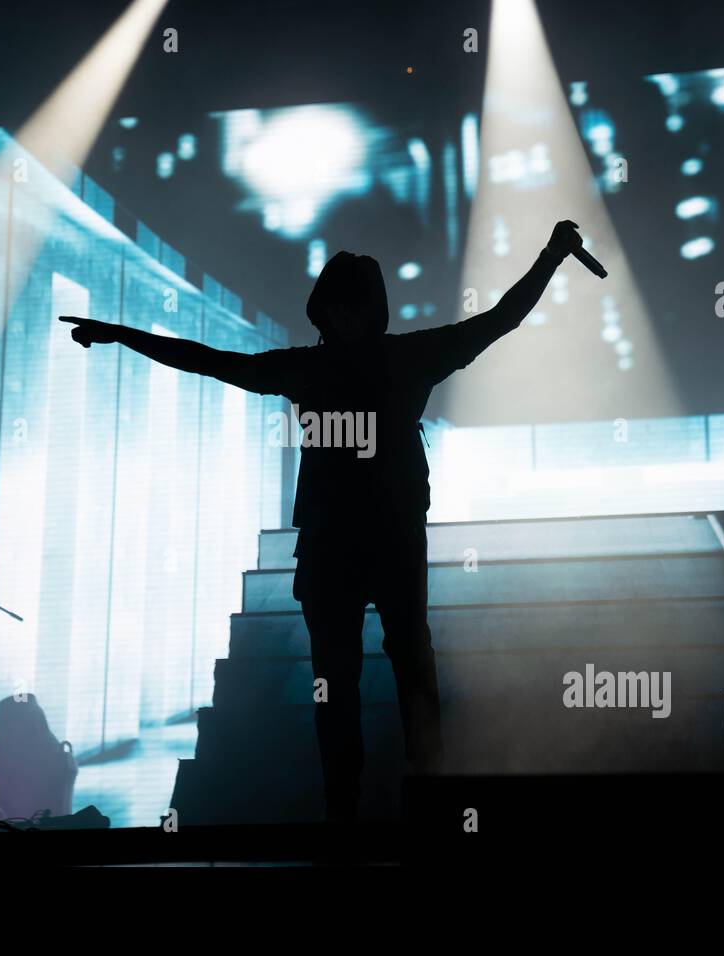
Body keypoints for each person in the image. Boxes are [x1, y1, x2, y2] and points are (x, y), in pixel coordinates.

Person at [61, 220, 584, 820]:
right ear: (329, 311)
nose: (343, 317)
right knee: (375, 672)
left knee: (376, 673)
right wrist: (551, 255)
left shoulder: (338, 365)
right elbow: (498, 320)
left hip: (358, 545)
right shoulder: (393, 359)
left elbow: (499, 320)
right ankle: (375, 806)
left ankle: (389, 804)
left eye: (350, 306)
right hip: (360, 545)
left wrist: (117, 335)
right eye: (338, 307)